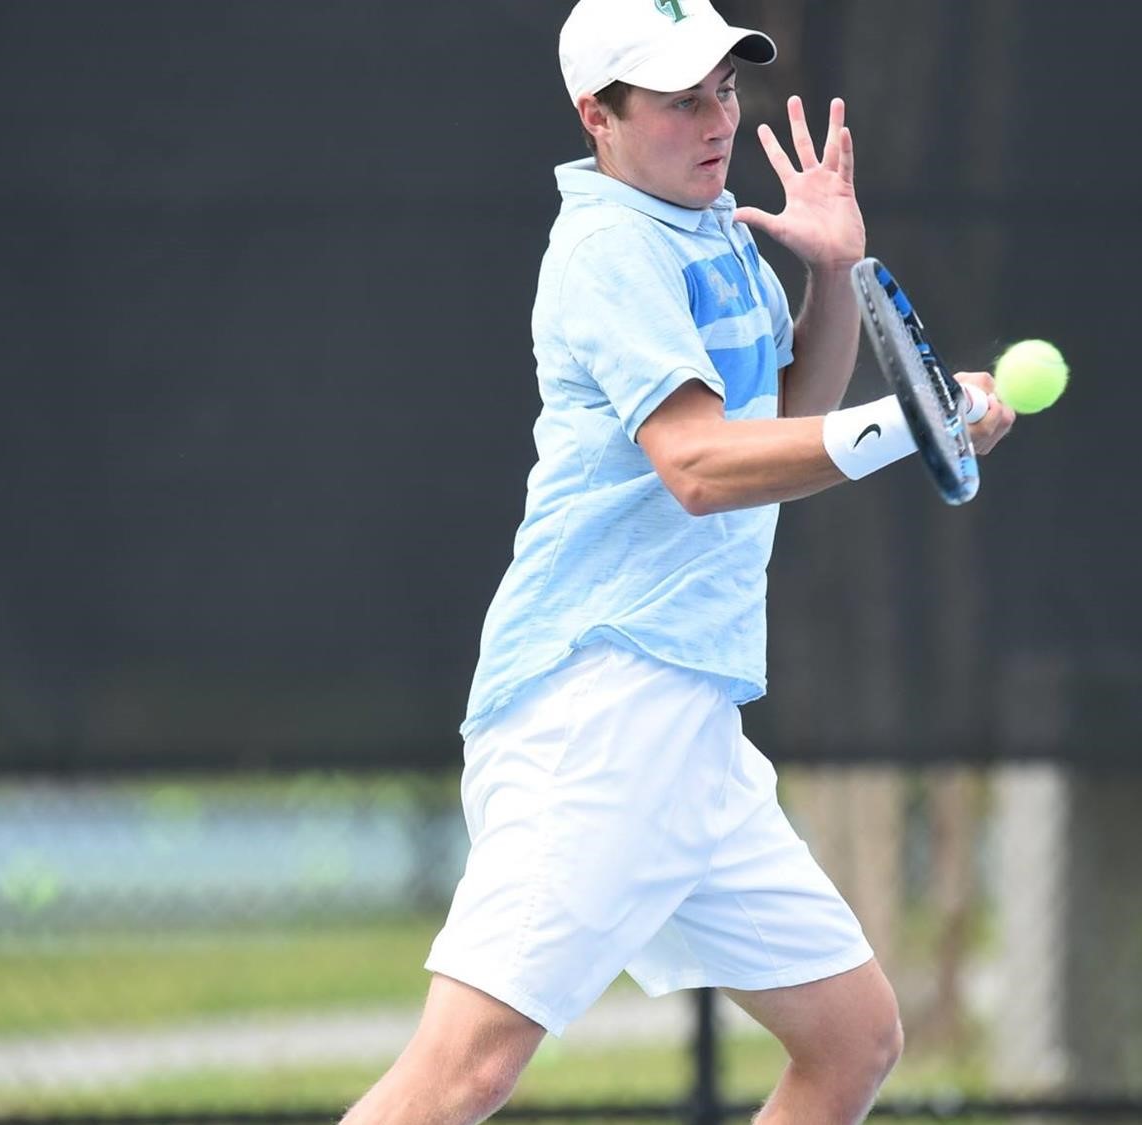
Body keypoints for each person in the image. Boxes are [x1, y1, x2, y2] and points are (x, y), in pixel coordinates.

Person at [343, 2, 1014, 1122]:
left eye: (723, 91)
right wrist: (913, 421)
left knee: (851, 1041)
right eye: (676, 101)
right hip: (591, 709)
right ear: (594, 116)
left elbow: (785, 423)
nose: (714, 122)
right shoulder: (608, 249)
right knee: (463, 1071)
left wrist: (830, 278)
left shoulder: (712, 233)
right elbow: (699, 466)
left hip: (689, 720)